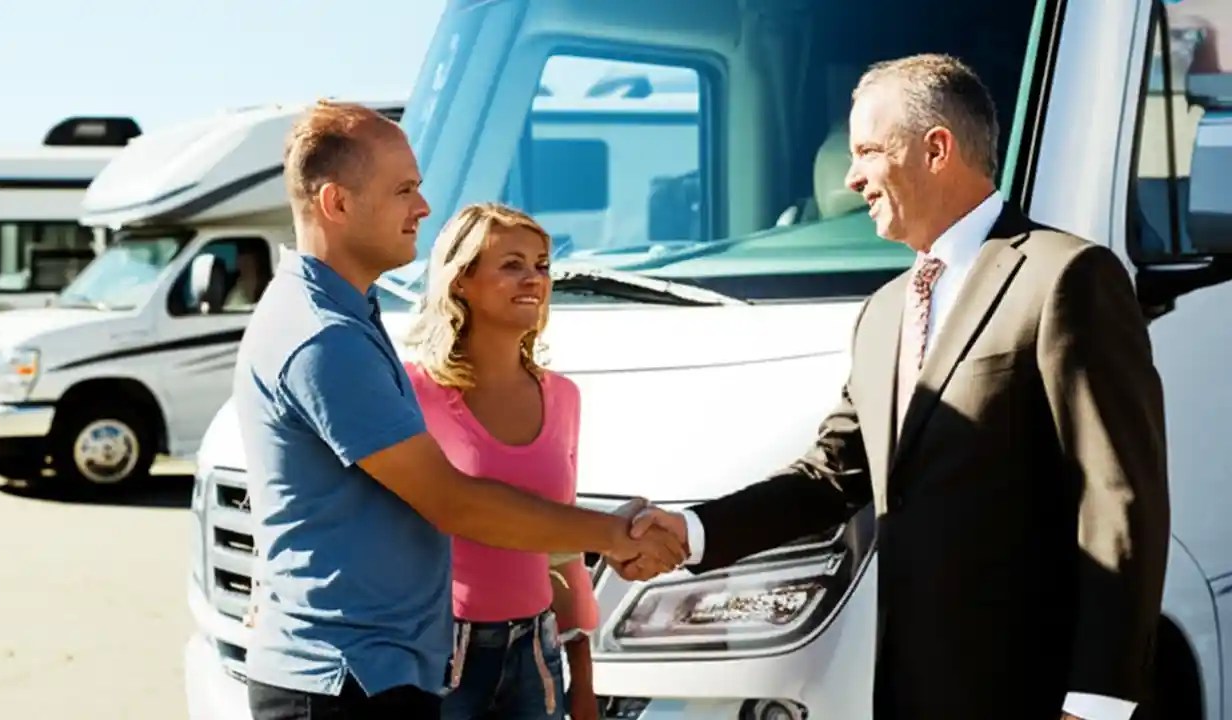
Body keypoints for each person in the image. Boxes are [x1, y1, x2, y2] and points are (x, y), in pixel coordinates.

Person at [625, 54, 1170, 720]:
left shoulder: (1066, 277)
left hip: (1033, 692)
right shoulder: (884, 312)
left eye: (867, 151)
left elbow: (1118, 500)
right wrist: (691, 530)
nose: (850, 177)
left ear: (936, 148)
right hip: (913, 689)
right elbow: (831, 475)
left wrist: (1098, 701)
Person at [232, 101, 684, 720]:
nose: (423, 208)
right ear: (337, 204)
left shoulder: (342, 317)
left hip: (376, 672)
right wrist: (612, 533)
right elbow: (453, 502)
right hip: (344, 682)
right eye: (405, 190)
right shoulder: (322, 337)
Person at [401, 202, 600, 719]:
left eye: (541, 265)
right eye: (512, 264)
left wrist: (583, 680)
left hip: (537, 652)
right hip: (440, 653)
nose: (533, 278)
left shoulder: (564, 397)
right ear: (461, 280)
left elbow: (564, 551)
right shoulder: (409, 392)